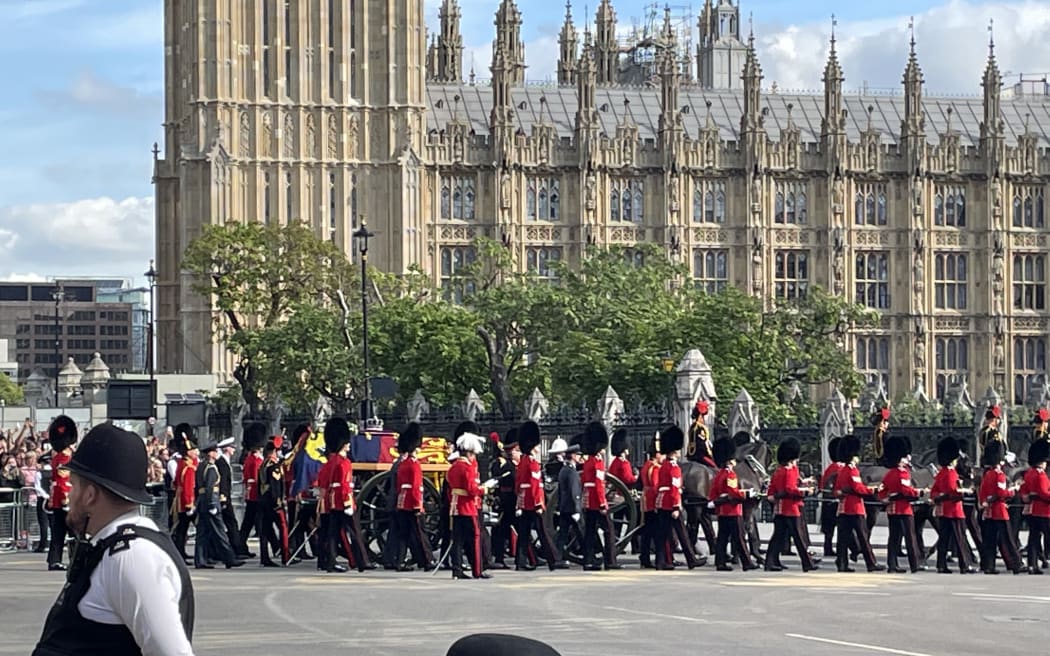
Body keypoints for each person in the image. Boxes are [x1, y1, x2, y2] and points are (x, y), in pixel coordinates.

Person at [31, 424, 195, 656]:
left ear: (90, 495)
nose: (69, 493)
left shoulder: (132, 556)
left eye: (74, 485)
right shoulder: (112, 547)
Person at [318, 417, 372, 573]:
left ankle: (331, 561)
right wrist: (348, 504)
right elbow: (345, 485)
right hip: (343, 502)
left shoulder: (330, 462)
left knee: (333, 534)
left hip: (332, 502)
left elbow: (323, 483)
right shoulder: (344, 463)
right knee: (355, 532)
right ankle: (362, 561)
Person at [514, 420, 563, 572]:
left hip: (523, 502)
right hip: (533, 504)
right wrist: (539, 504)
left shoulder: (522, 461)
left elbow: (519, 485)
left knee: (523, 534)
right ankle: (553, 561)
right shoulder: (533, 463)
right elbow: (536, 486)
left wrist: (520, 502)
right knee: (543, 533)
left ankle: (520, 562)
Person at [765, 438, 817, 572]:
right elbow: (789, 489)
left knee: (778, 537)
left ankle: (771, 562)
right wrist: (804, 492)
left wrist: (803, 484)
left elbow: (778, 488)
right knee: (798, 538)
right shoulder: (788, 471)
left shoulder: (782, 470)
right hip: (790, 508)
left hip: (782, 509)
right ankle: (807, 563)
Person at [447, 431, 493, 579]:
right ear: (468, 453)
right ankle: (477, 570)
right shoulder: (467, 467)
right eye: (473, 454)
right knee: (475, 538)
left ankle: (457, 569)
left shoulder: (453, 466)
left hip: (455, 507)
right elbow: (472, 489)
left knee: (458, 540)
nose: (474, 457)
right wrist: (484, 490)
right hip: (468, 507)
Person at [834, 436, 883, 572]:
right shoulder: (852, 470)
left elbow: (837, 490)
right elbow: (858, 489)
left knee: (842, 539)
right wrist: (873, 489)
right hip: (855, 508)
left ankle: (842, 563)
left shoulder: (842, 470)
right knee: (863, 537)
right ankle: (871, 563)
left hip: (843, 509)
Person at [193, 438, 244, 570]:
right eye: (215, 451)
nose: (217, 454)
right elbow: (210, 487)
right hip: (211, 502)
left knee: (202, 534)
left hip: (202, 502)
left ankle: (200, 560)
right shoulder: (211, 468)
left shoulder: (201, 466)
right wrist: (212, 504)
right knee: (220, 532)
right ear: (210, 453)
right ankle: (229, 558)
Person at [655, 425, 700, 570]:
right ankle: (691, 560)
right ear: (674, 451)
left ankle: (660, 561)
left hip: (662, 502)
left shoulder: (663, 466)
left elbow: (660, 486)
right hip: (671, 503)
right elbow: (674, 488)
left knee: (662, 534)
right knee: (683, 534)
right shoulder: (674, 467)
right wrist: (676, 506)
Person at [879, 436, 925, 573]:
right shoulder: (903, 473)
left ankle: (892, 565)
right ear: (900, 458)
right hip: (904, 510)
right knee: (910, 538)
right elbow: (906, 491)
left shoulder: (889, 474)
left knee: (893, 538)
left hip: (892, 510)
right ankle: (914, 564)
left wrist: (885, 499)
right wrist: (919, 492)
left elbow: (882, 491)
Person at [930, 437, 976, 574]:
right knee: (960, 538)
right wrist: (966, 491)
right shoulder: (951, 473)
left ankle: (941, 565)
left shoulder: (941, 473)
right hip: (954, 511)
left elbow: (935, 492)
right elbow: (953, 492)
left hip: (944, 511)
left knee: (944, 539)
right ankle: (965, 565)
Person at [392, 423, 434, 572]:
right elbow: (416, 487)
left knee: (404, 535)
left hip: (402, 503)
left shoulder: (403, 464)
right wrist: (418, 506)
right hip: (412, 503)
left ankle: (400, 561)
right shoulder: (414, 465)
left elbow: (400, 486)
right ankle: (428, 560)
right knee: (420, 533)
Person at [710, 436, 755, 572]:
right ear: (730, 460)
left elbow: (714, 492)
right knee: (740, 538)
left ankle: (720, 562)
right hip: (733, 510)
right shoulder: (731, 475)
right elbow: (733, 492)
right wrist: (746, 494)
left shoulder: (719, 474)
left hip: (722, 512)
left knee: (722, 539)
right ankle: (747, 562)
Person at [978, 440, 1023, 574]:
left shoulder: (988, 474)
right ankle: (1016, 564)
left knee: (990, 540)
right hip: (1000, 511)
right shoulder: (999, 475)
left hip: (989, 512)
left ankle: (988, 565)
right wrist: (1013, 490)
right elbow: (1002, 493)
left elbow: (982, 493)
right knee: (1008, 538)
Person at [581, 422, 621, 571]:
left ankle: (588, 560)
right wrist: (603, 503)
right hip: (596, 501)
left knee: (590, 531)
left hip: (588, 500)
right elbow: (598, 486)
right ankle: (610, 560)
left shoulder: (588, 462)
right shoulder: (597, 462)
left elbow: (585, 481)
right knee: (609, 530)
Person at [46, 416, 76, 572]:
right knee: (72, 531)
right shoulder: (64, 458)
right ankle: (74, 558)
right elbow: (63, 481)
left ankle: (54, 559)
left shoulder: (58, 457)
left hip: (58, 499)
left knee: (58, 533)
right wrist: (66, 500)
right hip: (64, 499)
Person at [216, 437, 251, 559]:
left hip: (226, 497)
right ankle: (237, 549)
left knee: (229, 524)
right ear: (226, 449)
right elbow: (222, 483)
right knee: (231, 524)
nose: (234, 450)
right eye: (232, 447)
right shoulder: (221, 463)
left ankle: (236, 549)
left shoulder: (225, 462)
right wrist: (223, 498)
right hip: (224, 498)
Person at [258, 437, 291, 567]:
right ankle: (285, 555)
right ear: (273, 452)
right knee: (283, 528)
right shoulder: (274, 467)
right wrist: (278, 502)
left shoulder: (263, 465)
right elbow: (275, 486)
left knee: (265, 530)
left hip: (263, 502)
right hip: (274, 503)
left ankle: (264, 557)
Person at [490, 428, 519, 569]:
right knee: (503, 530)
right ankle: (500, 558)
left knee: (512, 530)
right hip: (507, 501)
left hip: (513, 500)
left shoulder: (512, 465)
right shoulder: (506, 466)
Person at [170, 425, 198, 562]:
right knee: (184, 529)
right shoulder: (189, 466)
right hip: (187, 502)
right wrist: (189, 504)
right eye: (193, 450)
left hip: (180, 500)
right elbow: (188, 486)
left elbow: (175, 483)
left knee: (182, 529)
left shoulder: (182, 463)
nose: (196, 452)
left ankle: (180, 553)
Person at [238, 423, 267, 552]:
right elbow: (257, 478)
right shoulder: (255, 460)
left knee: (249, 522)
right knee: (256, 523)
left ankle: (241, 546)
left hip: (252, 494)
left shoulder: (251, 458)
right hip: (256, 494)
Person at [1023, 440, 1050, 574]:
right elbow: (1044, 493)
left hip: (1033, 511)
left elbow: (1023, 490)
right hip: (1044, 511)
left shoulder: (1029, 473)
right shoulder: (1041, 475)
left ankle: (1032, 565)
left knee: (1033, 539)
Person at [638, 436, 662, 569]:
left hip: (646, 500)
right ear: (657, 454)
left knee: (647, 531)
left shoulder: (646, 465)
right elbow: (655, 486)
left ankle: (644, 557)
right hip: (653, 502)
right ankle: (649, 558)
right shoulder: (655, 468)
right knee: (654, 531)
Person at [819, 437, 843, 557]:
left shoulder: (831, 467)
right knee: (841, 527)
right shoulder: (840, 468)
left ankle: (827, 547)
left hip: (829, 499)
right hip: (836, 500)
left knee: (830, 527)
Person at [687, 401, 716, 467]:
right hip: (700, 455)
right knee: (715, 468)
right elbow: (703, 445)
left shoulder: (692, 426)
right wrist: (711, 454)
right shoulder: (701, 428)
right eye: (704, 416)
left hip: (691, 455)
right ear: (700, 416)